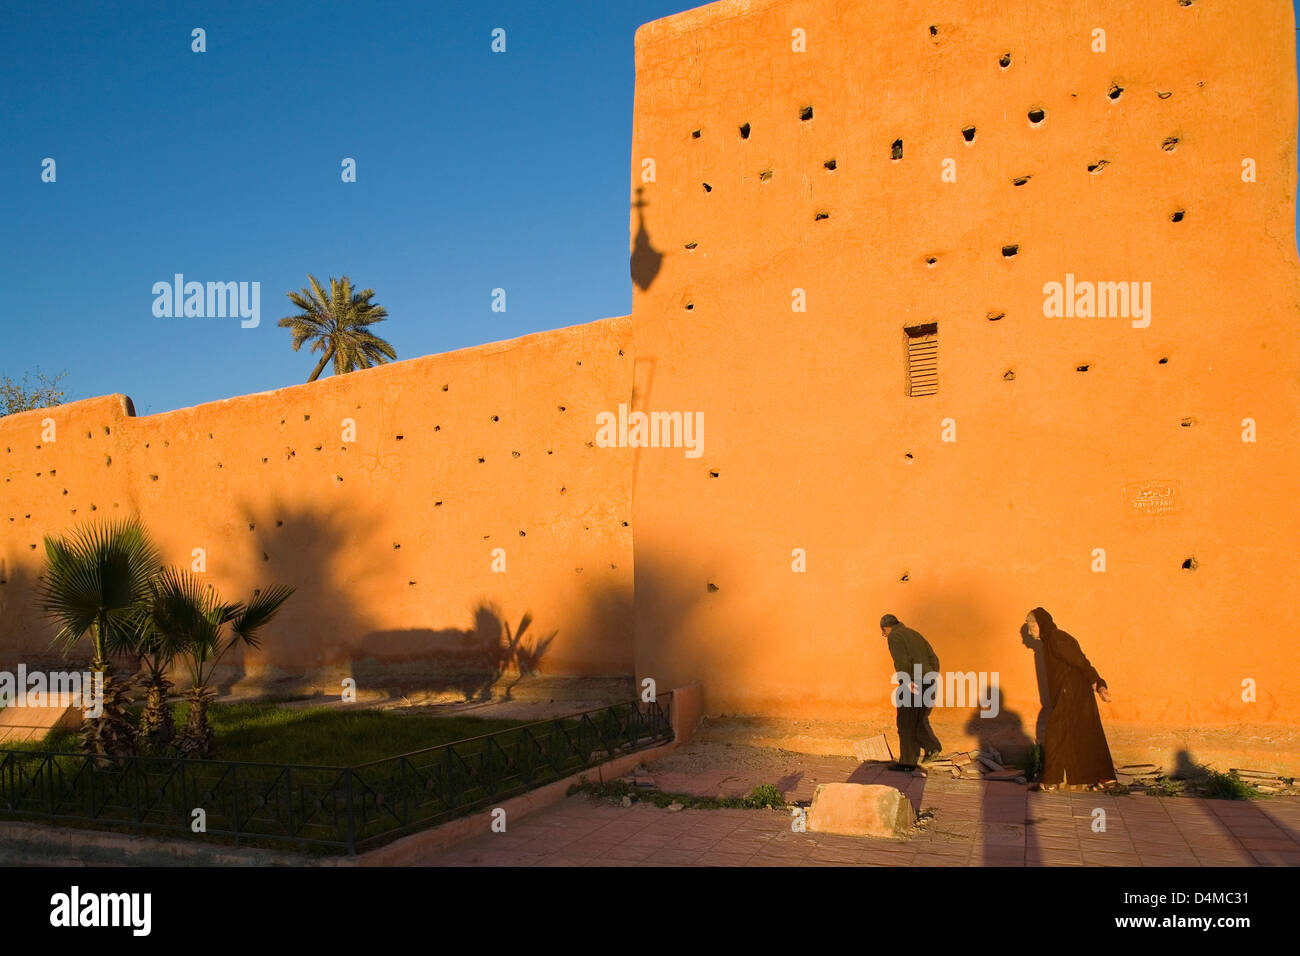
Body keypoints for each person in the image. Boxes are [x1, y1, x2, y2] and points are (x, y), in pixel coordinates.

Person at [1026, 607, 1116, 789]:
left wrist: (1098, 683)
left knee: (1055, 733)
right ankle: (1106, 779)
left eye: (1031, 627)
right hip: (1070, 693)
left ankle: (1052, 781)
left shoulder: (1058, 639)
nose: (1028, 633)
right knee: (1086, 732)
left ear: (1039, 624)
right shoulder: (1050, 641)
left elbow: (1081, 661)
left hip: (1073, 693)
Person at [880, 613, 942, 771]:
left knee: (905, 722)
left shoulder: (895, 636)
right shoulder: (914, 633)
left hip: (912, 682)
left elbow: (901, 661)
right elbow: (933, 658)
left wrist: (907, 682)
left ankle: (907, 762)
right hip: (928, 680)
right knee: (918, 719)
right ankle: (932, 747)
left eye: (883, 632)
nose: (884, 635)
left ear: (887, 628)